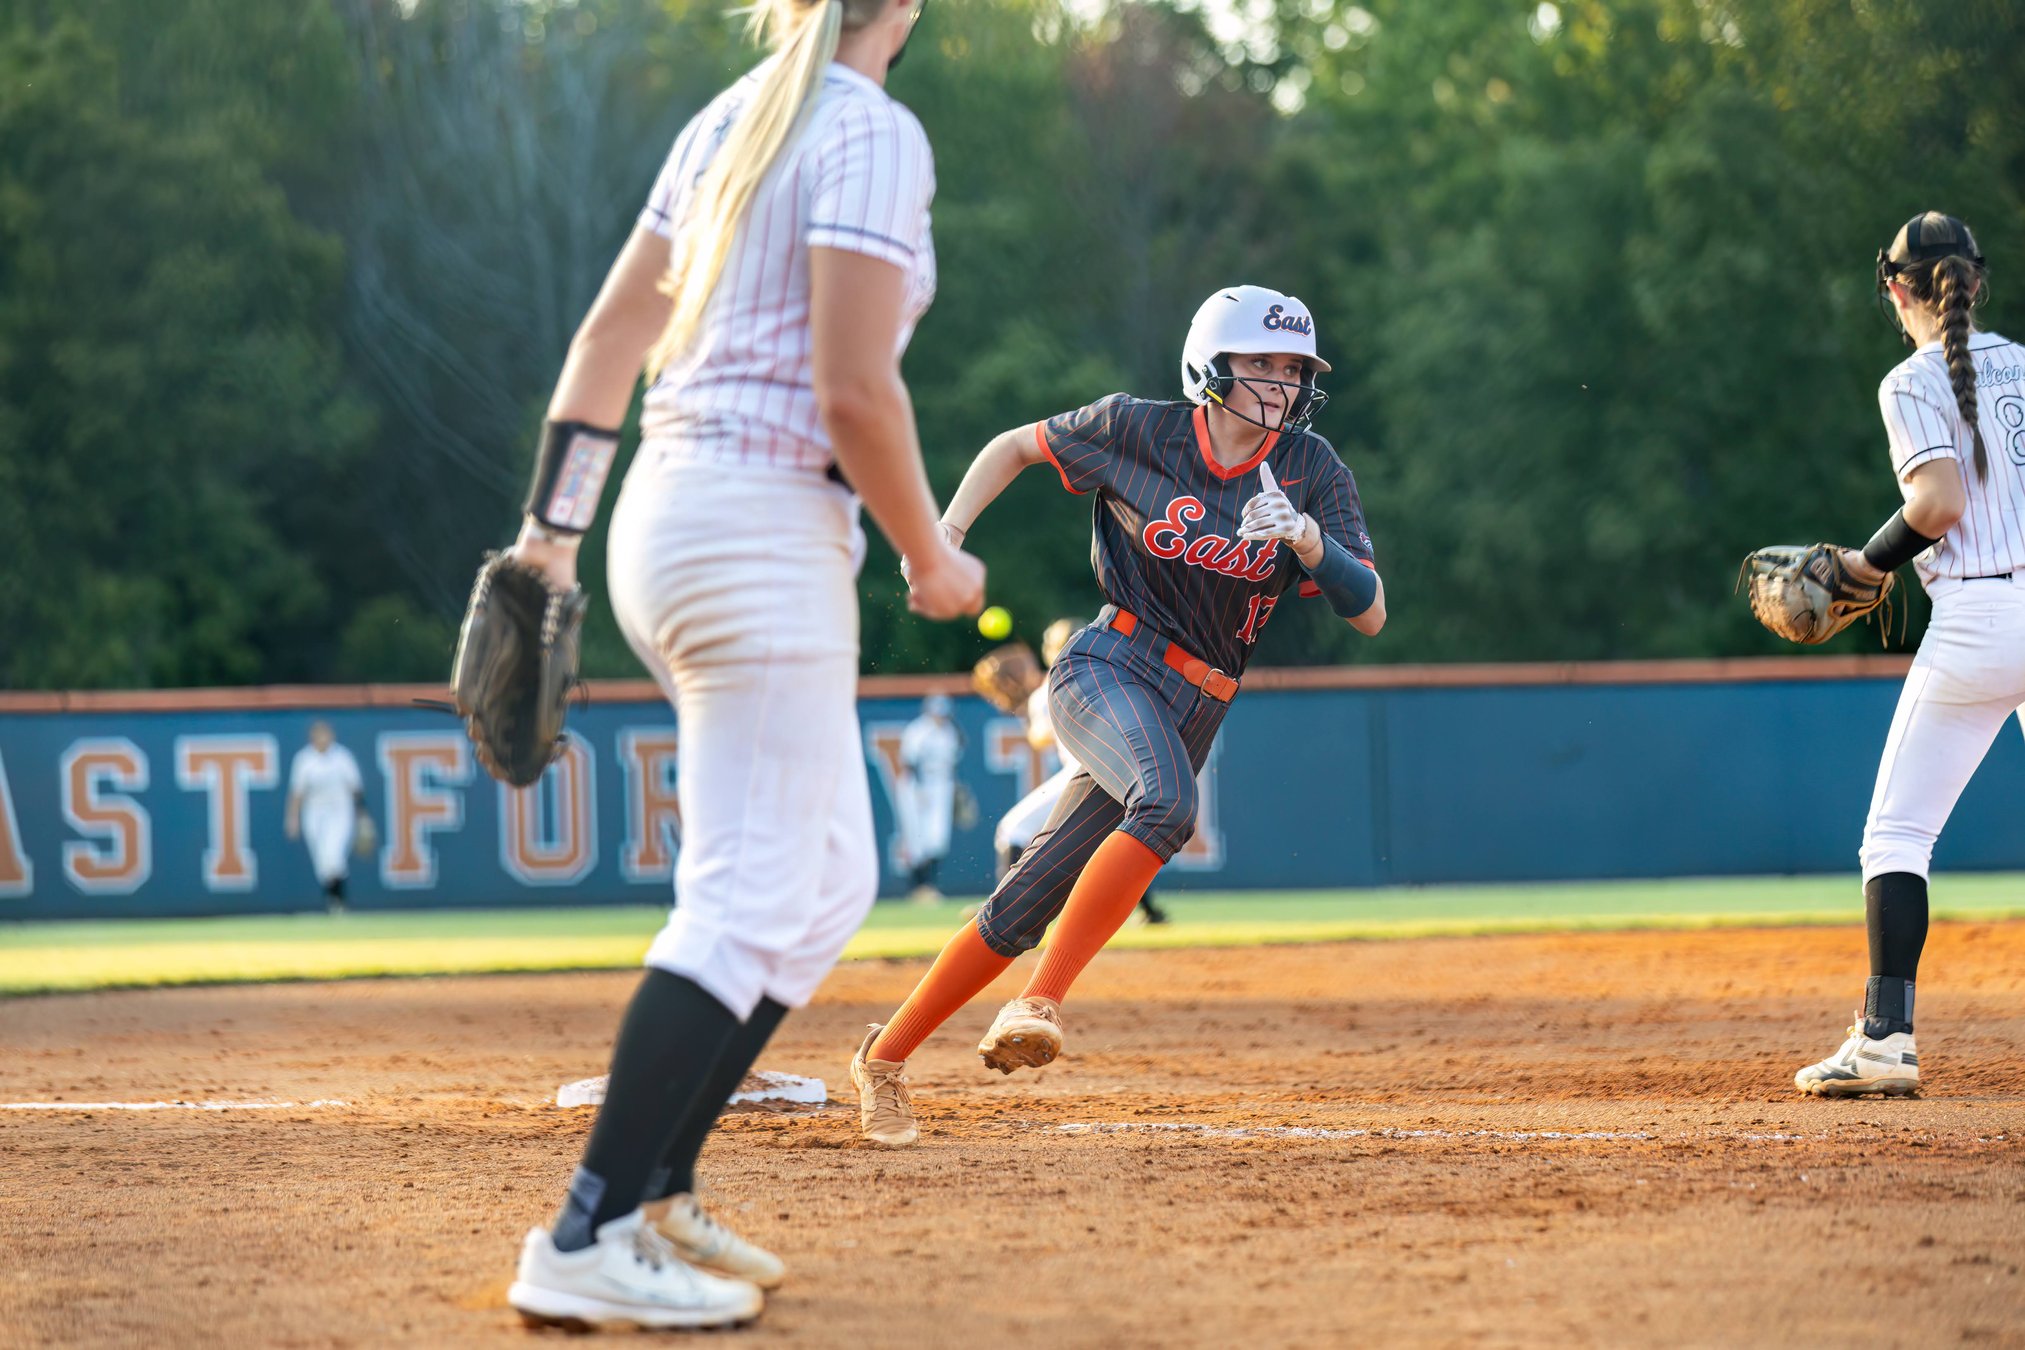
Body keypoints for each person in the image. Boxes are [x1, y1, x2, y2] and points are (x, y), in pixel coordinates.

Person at [497, 0, 985, 1329]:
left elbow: (605, 345)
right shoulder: (868, 128)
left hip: (667, 510)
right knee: (743, 898)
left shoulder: (729, 117)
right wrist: (931, 556)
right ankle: (584, 1231)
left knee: (826, 877)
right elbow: (851, 389)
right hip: (761, 528)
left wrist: (551, 539)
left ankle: (657, 1190)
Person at [850, 285, 1383, 1146]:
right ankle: (1040, 1001)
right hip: (1108, 663)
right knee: (1169, 807)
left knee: (1023, 903)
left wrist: (1310, 542)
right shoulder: (1136, 428)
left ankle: (882, 1059)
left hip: (1202, 698)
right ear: (1210, 367)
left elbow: (1369, 610)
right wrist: (943, 531)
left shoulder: (1312, 470)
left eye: (1293, 368)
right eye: (1261, 364)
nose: (1281, 383)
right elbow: (1011, 447)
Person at [1795, 211, 2025, 1098]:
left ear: (1895, 288)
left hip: (1979, 617)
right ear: (1976, 279)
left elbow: (1937, 503)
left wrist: (1860, 564)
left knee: (1896, 833)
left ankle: (1886, 1039)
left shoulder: (1910, 379)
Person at [995, 617, 1167, 924]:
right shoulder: (1108, 675)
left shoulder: (1050, 685)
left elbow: (1041, 738)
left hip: (1081, 775)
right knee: (1114, 843)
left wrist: (1022, 710)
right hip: (1119, 774)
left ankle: (1004, 910)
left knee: (1014, 828)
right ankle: (1150, 911)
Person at [283, 720, 368, 914]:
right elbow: (297, 793)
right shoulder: (304, 759)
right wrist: (292, 818)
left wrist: (362, 815)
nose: (323, 739)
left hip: (340, 811)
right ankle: (334, 901)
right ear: (312, 738)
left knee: (334, 855)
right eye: (318, 735)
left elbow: (355, 789)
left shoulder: (342, 757)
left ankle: (338, 902)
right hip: (314, 813)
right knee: (322, 862)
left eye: (325, 734)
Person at [896, 693, 961, 899]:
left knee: (937, 837)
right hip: (917, 786)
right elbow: (908, 762)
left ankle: (929, 887)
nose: (939, 718)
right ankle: (917, 887)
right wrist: (917, 789)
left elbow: (952, 763)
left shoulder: (949, 732)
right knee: (917, 839)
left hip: (941, 785)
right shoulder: (918, 730)